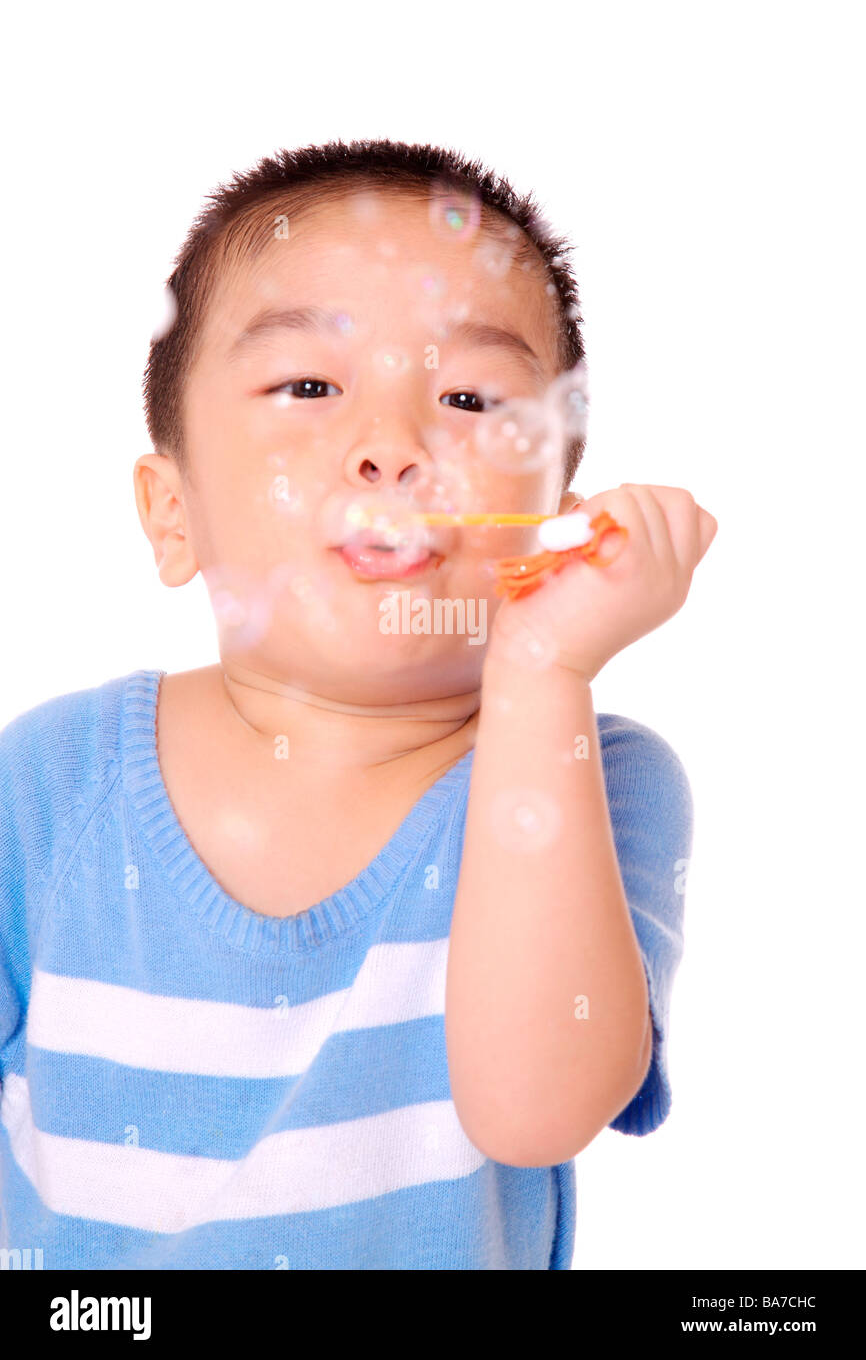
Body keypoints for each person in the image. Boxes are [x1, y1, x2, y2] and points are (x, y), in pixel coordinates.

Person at [0, 139, 717, 1269]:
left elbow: (536, 1108)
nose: (392, 448)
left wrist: (540, 670)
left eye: (469, 397)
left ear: (553, 530)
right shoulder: (45, 784)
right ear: (171, 511)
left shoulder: (597, 773)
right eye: (310, 386)